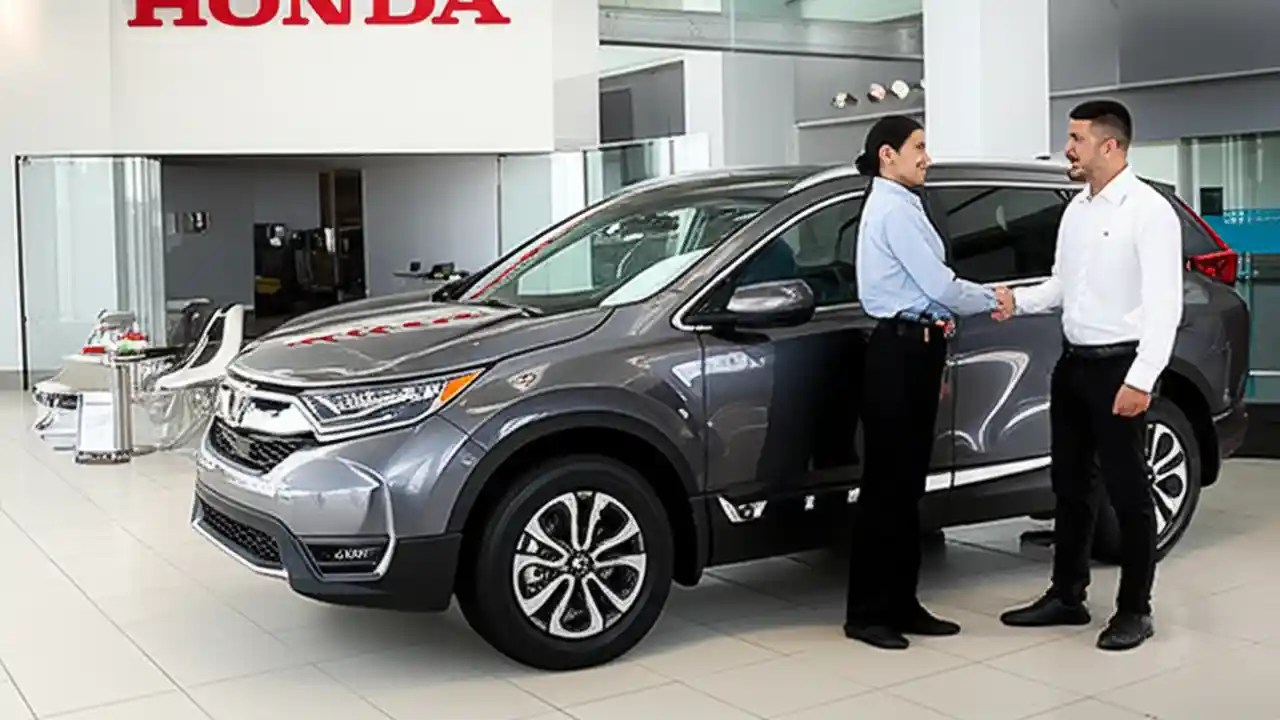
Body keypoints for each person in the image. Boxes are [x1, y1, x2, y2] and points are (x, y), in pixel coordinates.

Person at [992, 99, 1183, 651]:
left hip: (1122, 367)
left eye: (1075, 139)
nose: (1068, 148)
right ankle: (1066, 596)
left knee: (1129, 493)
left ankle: (1134, 610)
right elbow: (1060, 285)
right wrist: (1016, 302)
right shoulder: (1077, 209)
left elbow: (1165, 305)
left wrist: (1143, 379)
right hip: (1074, 364)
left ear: (1110, 145)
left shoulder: (1149, 211)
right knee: (1070, 488)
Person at [844, 115, 1000, 650]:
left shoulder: (904, 203)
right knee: (887, 488)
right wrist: (994, 300)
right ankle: (867, 614)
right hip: (898, 351)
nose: (926, 156)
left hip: (919, 348)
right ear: (887, 154)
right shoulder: (891, 207)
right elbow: (939, 284)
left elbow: (928, 292)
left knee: (908, 487)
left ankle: (901, 602)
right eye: (919, 147)